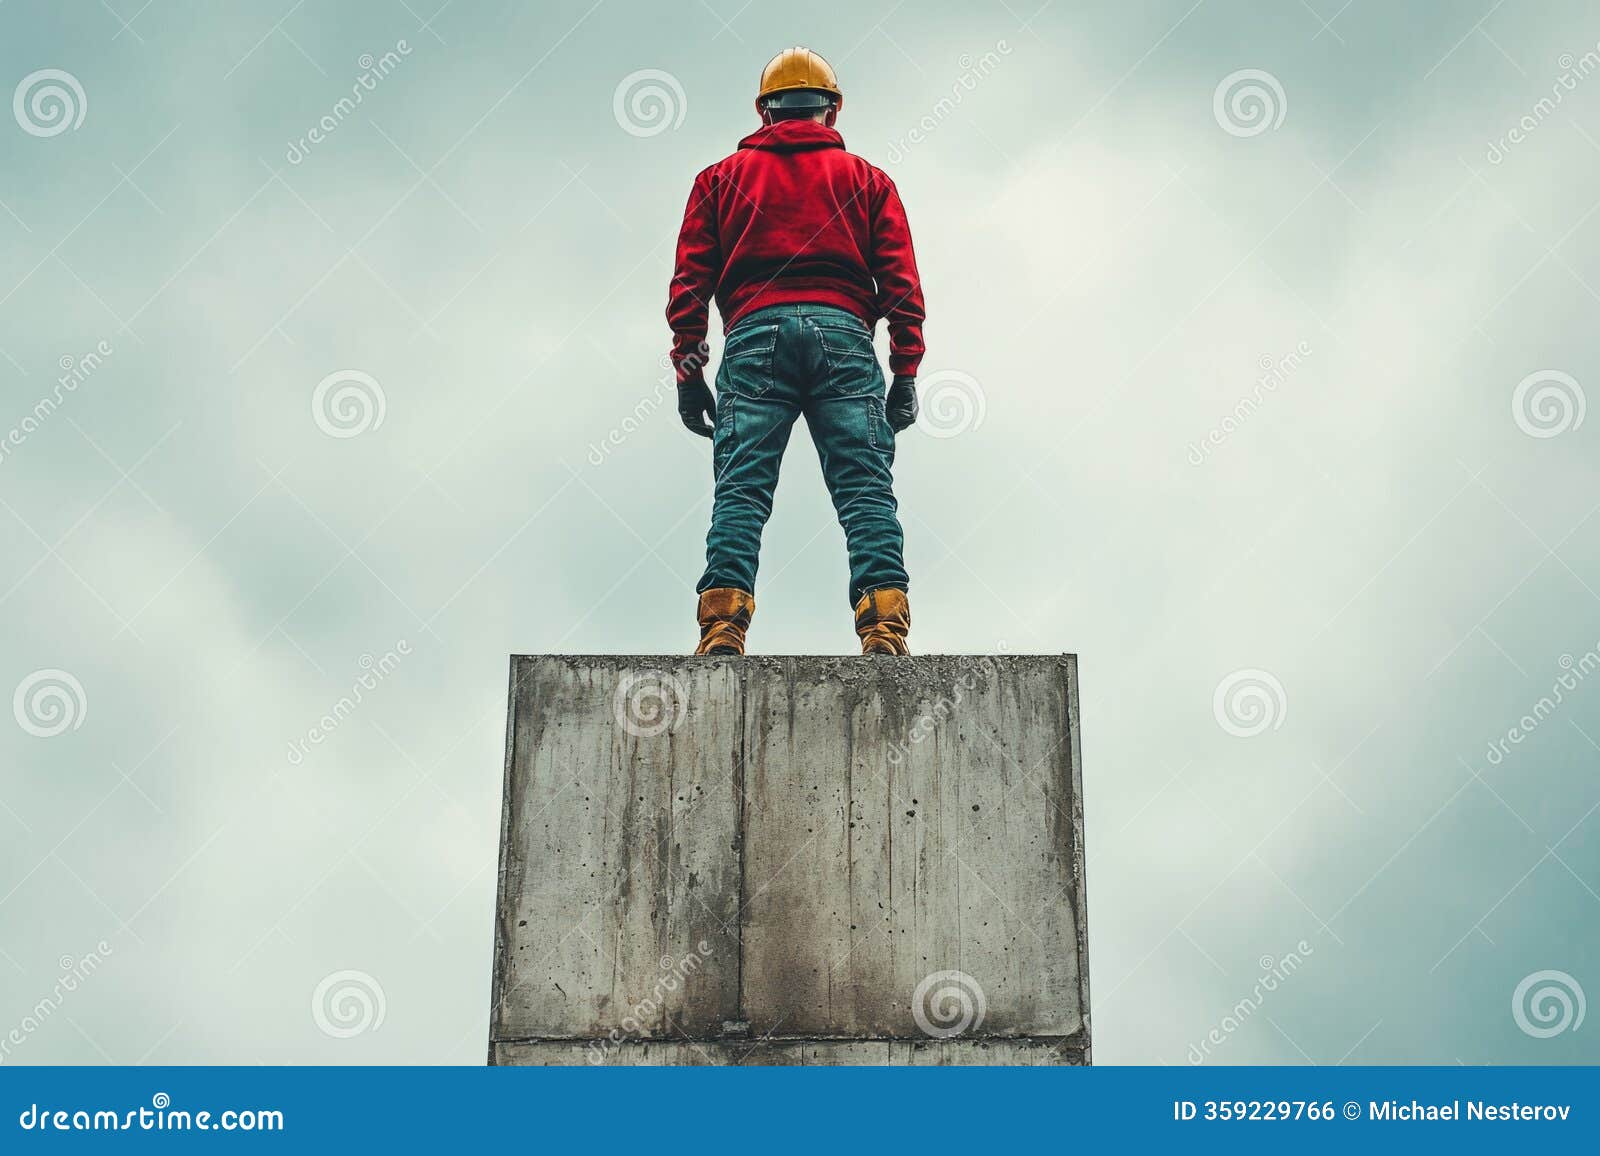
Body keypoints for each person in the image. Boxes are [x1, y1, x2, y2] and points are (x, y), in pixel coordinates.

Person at [667, 46, 926, 657]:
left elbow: (690, 283)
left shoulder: (718, 180)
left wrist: (688, 369)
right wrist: (905, 370)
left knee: (742, 491)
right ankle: (884, 630)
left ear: (764, 113)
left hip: (755, 340)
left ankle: (722, 630)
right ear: (830, 112)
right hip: (845, 339)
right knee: (865, 490)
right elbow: (902, 285)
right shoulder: (867, 180)